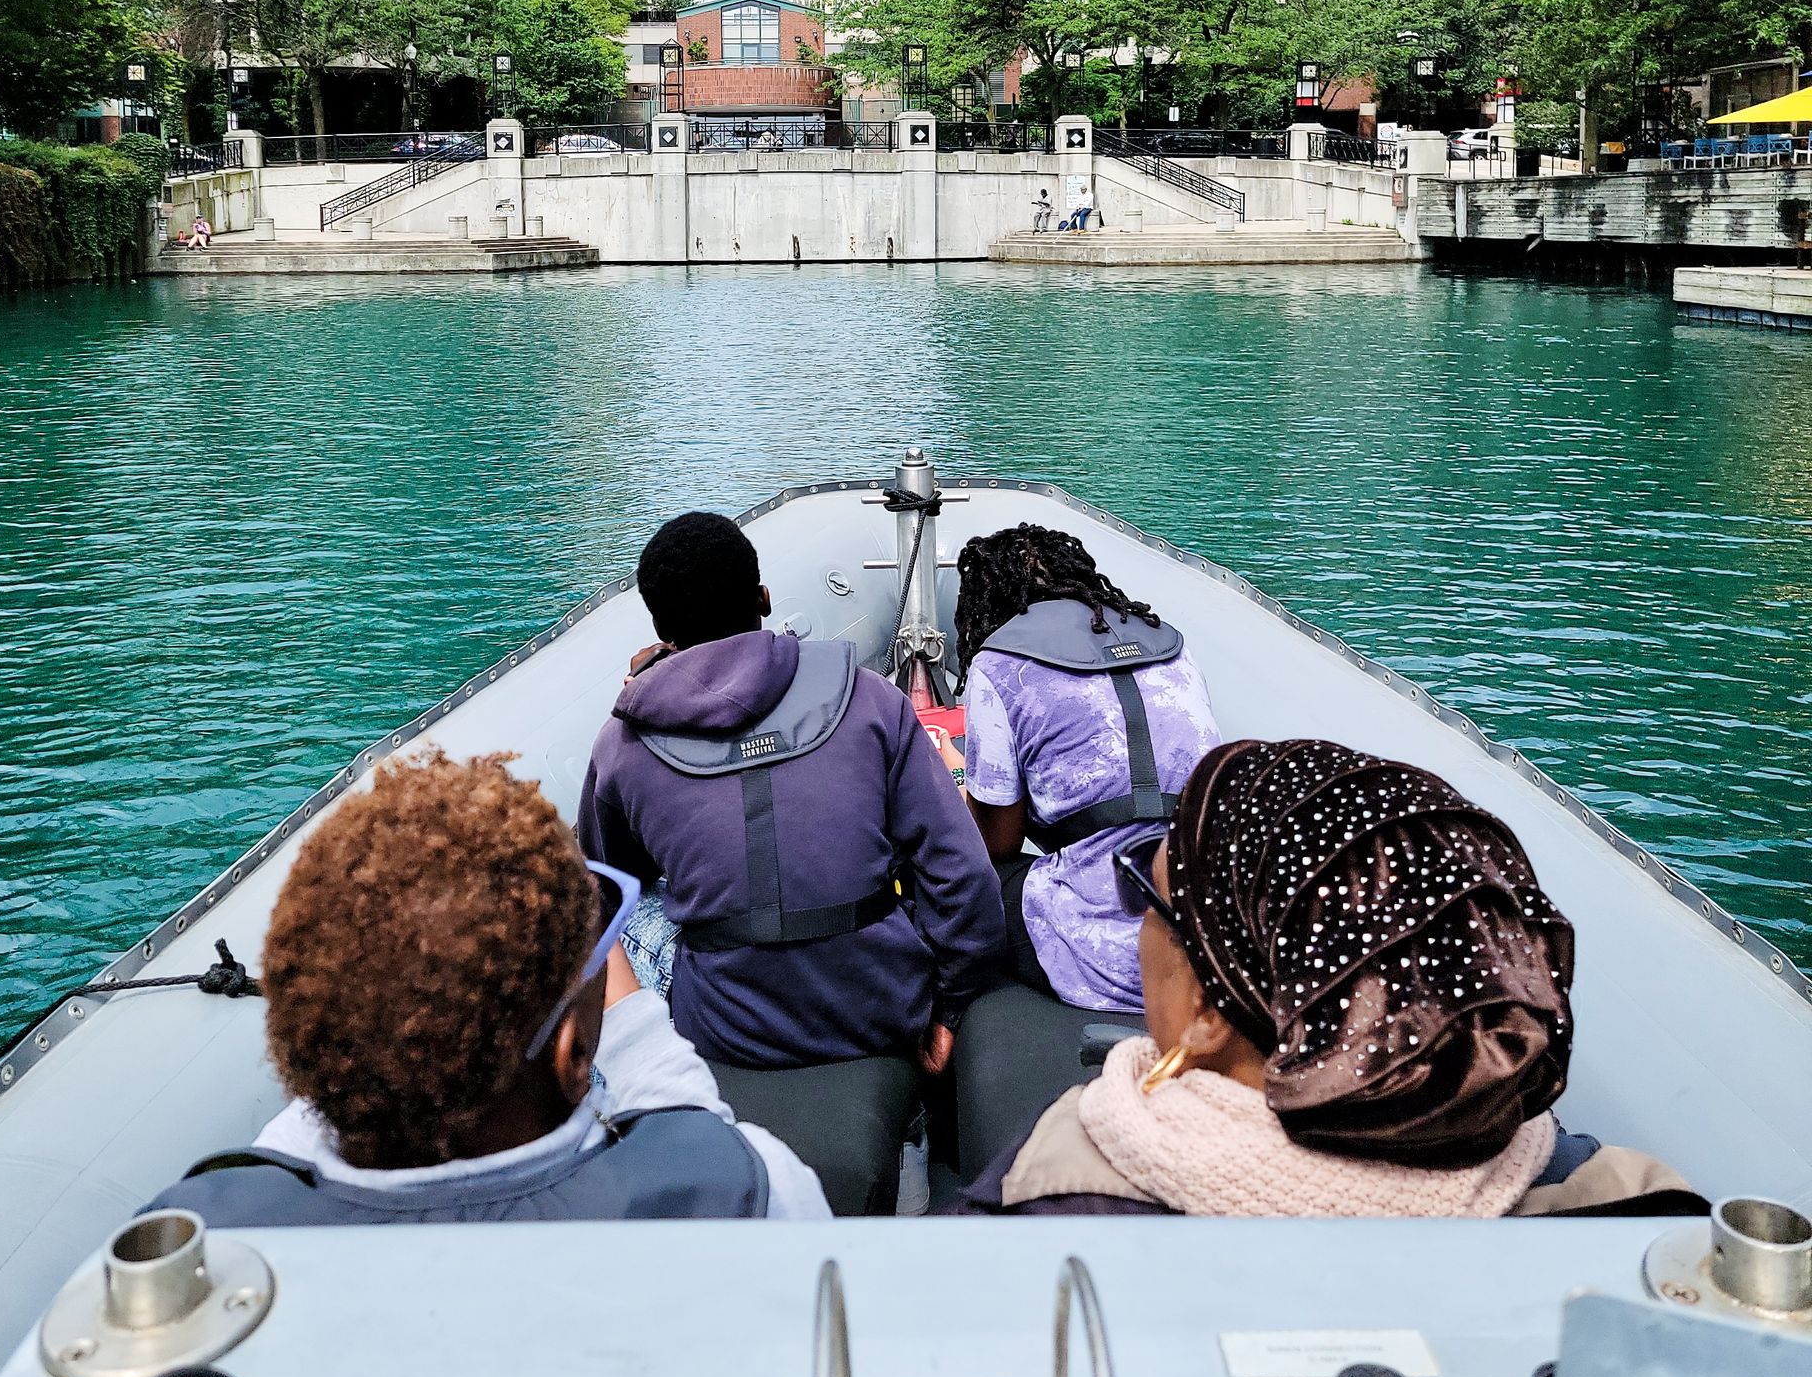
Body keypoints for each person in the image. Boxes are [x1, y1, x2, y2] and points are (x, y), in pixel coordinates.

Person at [961, 736, 1705, 1219]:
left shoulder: (1046, 1195)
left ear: (1204, 1016)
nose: (1138, 919)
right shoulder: (1639, 1205)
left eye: (1146, 896)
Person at [149, 750, 829, 1225]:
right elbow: (682, 1114)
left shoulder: (204, 1237)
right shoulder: (752, 1188)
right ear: (570, 1057)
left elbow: (321, 1107)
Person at [575, 510, 1004, 1212]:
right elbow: (964, 880)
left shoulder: (622, 743)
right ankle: (916, 1135)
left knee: (620, 911)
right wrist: (951, 1007)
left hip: (723, 1027)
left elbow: (603, 885)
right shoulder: (871, 699)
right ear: (765, 598)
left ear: (660, 634)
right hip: (880, 1007)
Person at [953, 524, 1221, 1011]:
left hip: (1113, 954)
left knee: (973, 882)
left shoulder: (996, 665)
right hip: (1208, 925)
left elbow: (997, 844)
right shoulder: (1173, 647)